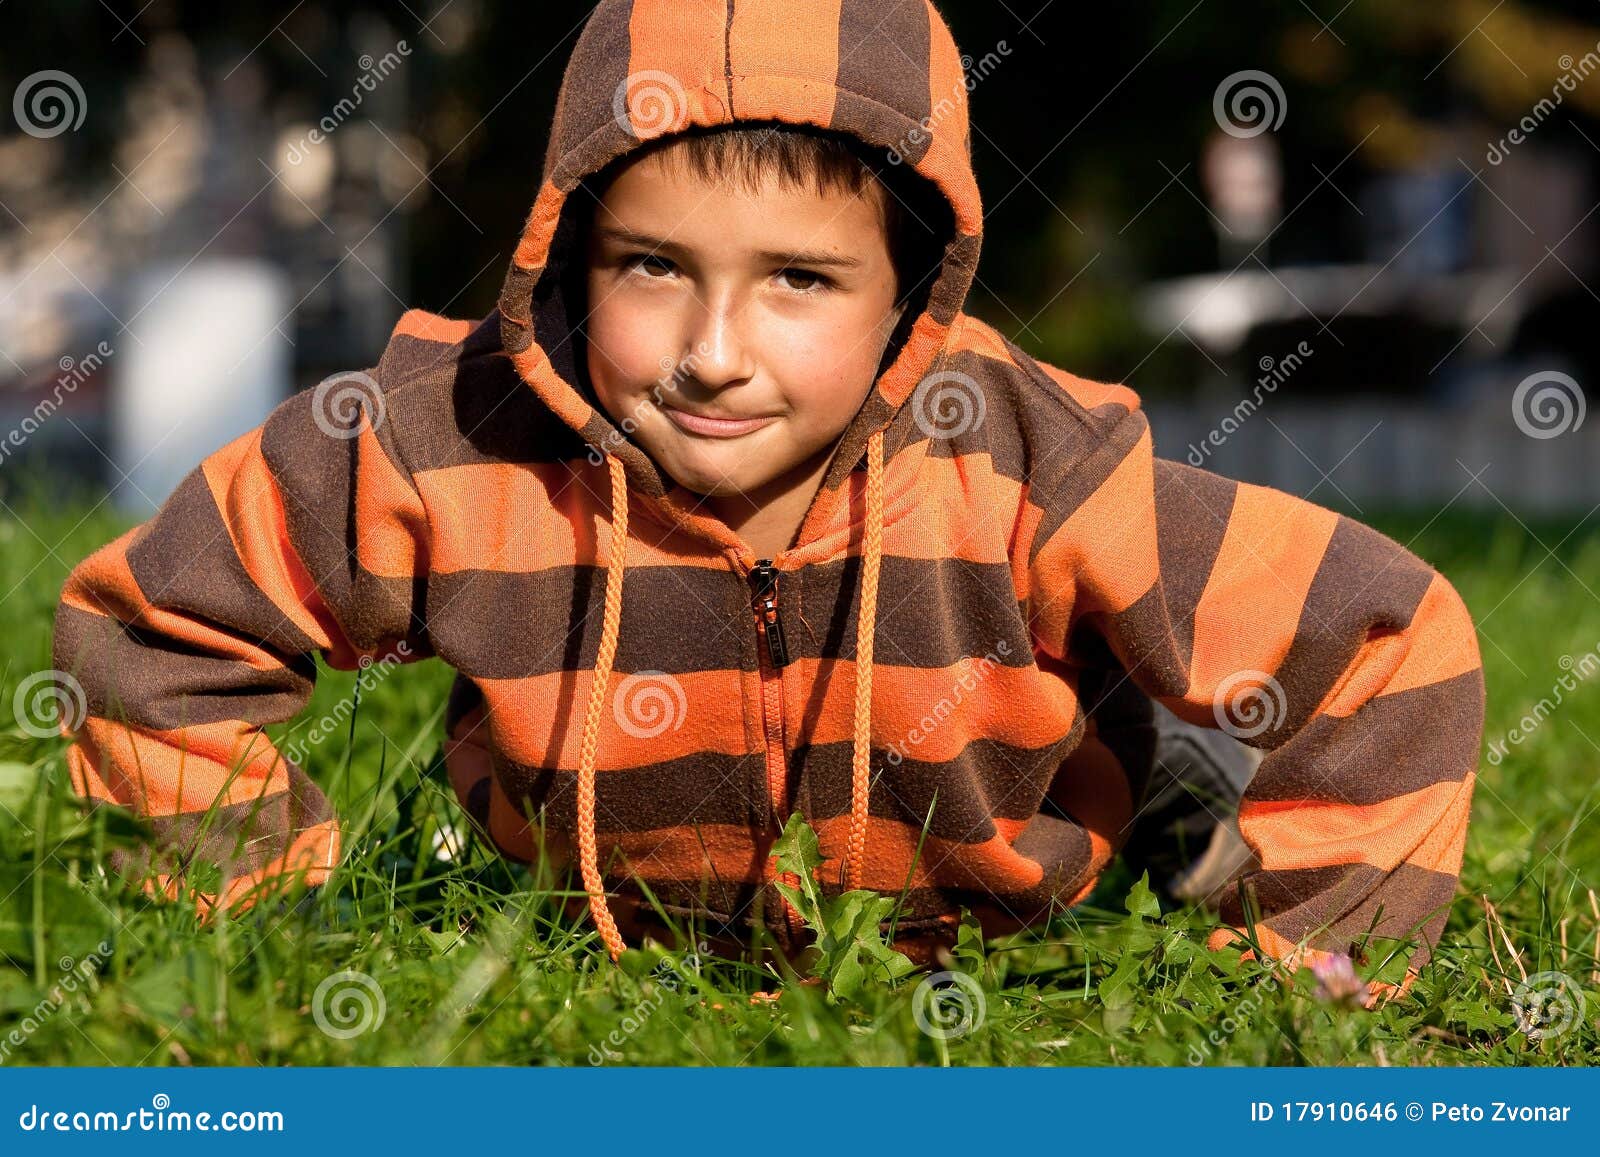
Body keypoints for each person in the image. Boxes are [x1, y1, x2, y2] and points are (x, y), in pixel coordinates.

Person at [51, 0, 1484, 1009]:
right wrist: (251, 917)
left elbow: (1386, 637)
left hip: (994, 964)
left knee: (1174, 792)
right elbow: (160, 622)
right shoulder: (444, 439)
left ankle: (1172, 829)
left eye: (800, 279)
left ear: (913, 293)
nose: (715, 350)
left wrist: (1304, 985)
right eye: (652, 266)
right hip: (581, 945)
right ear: (569, 254)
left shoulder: (1031, 469)